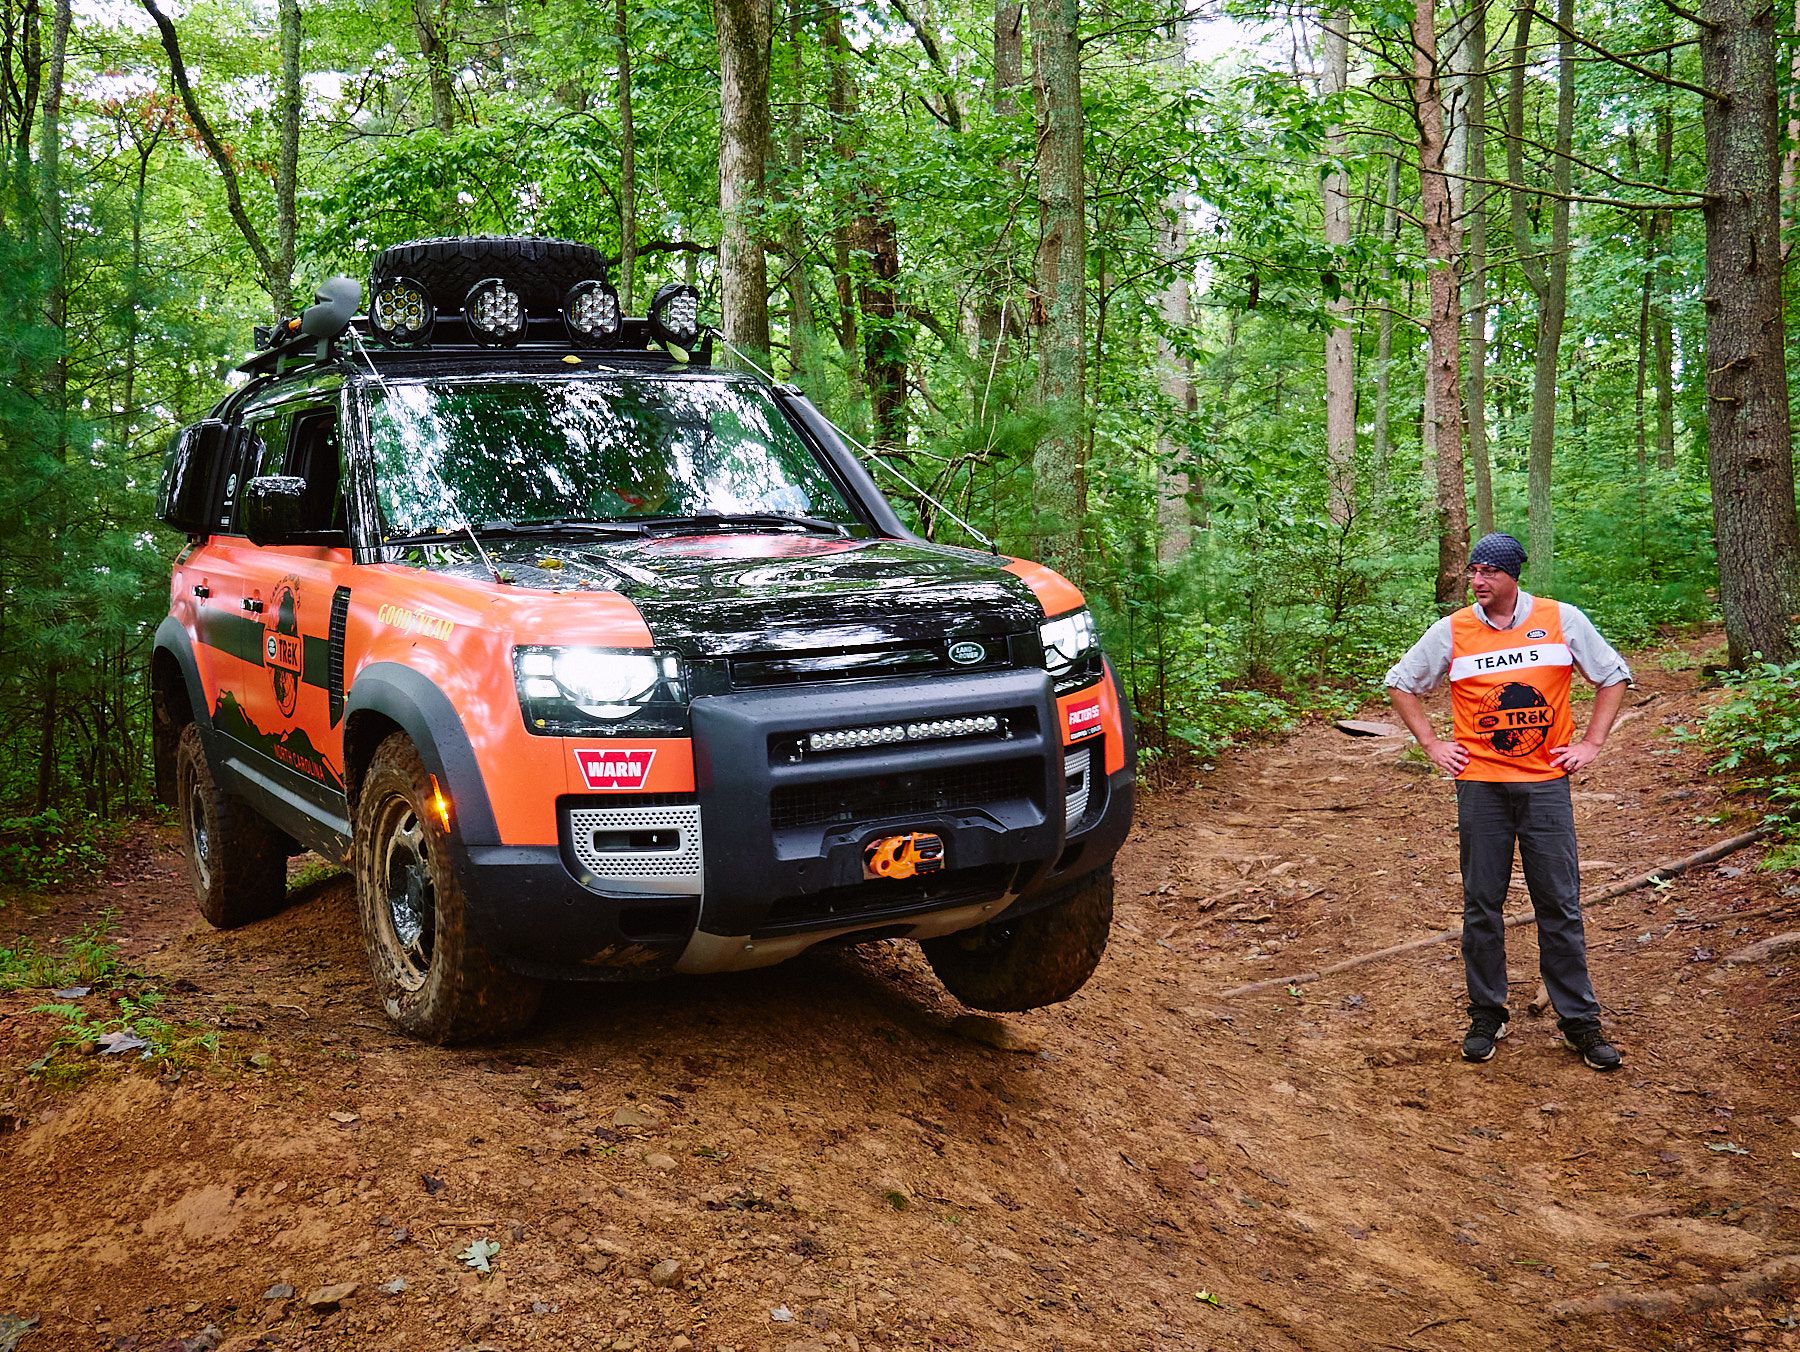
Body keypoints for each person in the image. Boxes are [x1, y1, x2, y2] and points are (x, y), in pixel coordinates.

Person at [1385, 532, 1632, 1072]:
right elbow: (1401, 682)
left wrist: (1591, 742)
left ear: (1513, 574)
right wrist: (1431, 743)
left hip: (1545, 784)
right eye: (1473, 572)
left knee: (1559, 903)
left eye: (1489, 572)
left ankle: (1580, 1022)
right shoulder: (1453, 629)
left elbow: (1613, 675)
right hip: (1480, 786)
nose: (1478, 581)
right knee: (1482, 903)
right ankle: (1486, 1013)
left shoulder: (1560, 618)